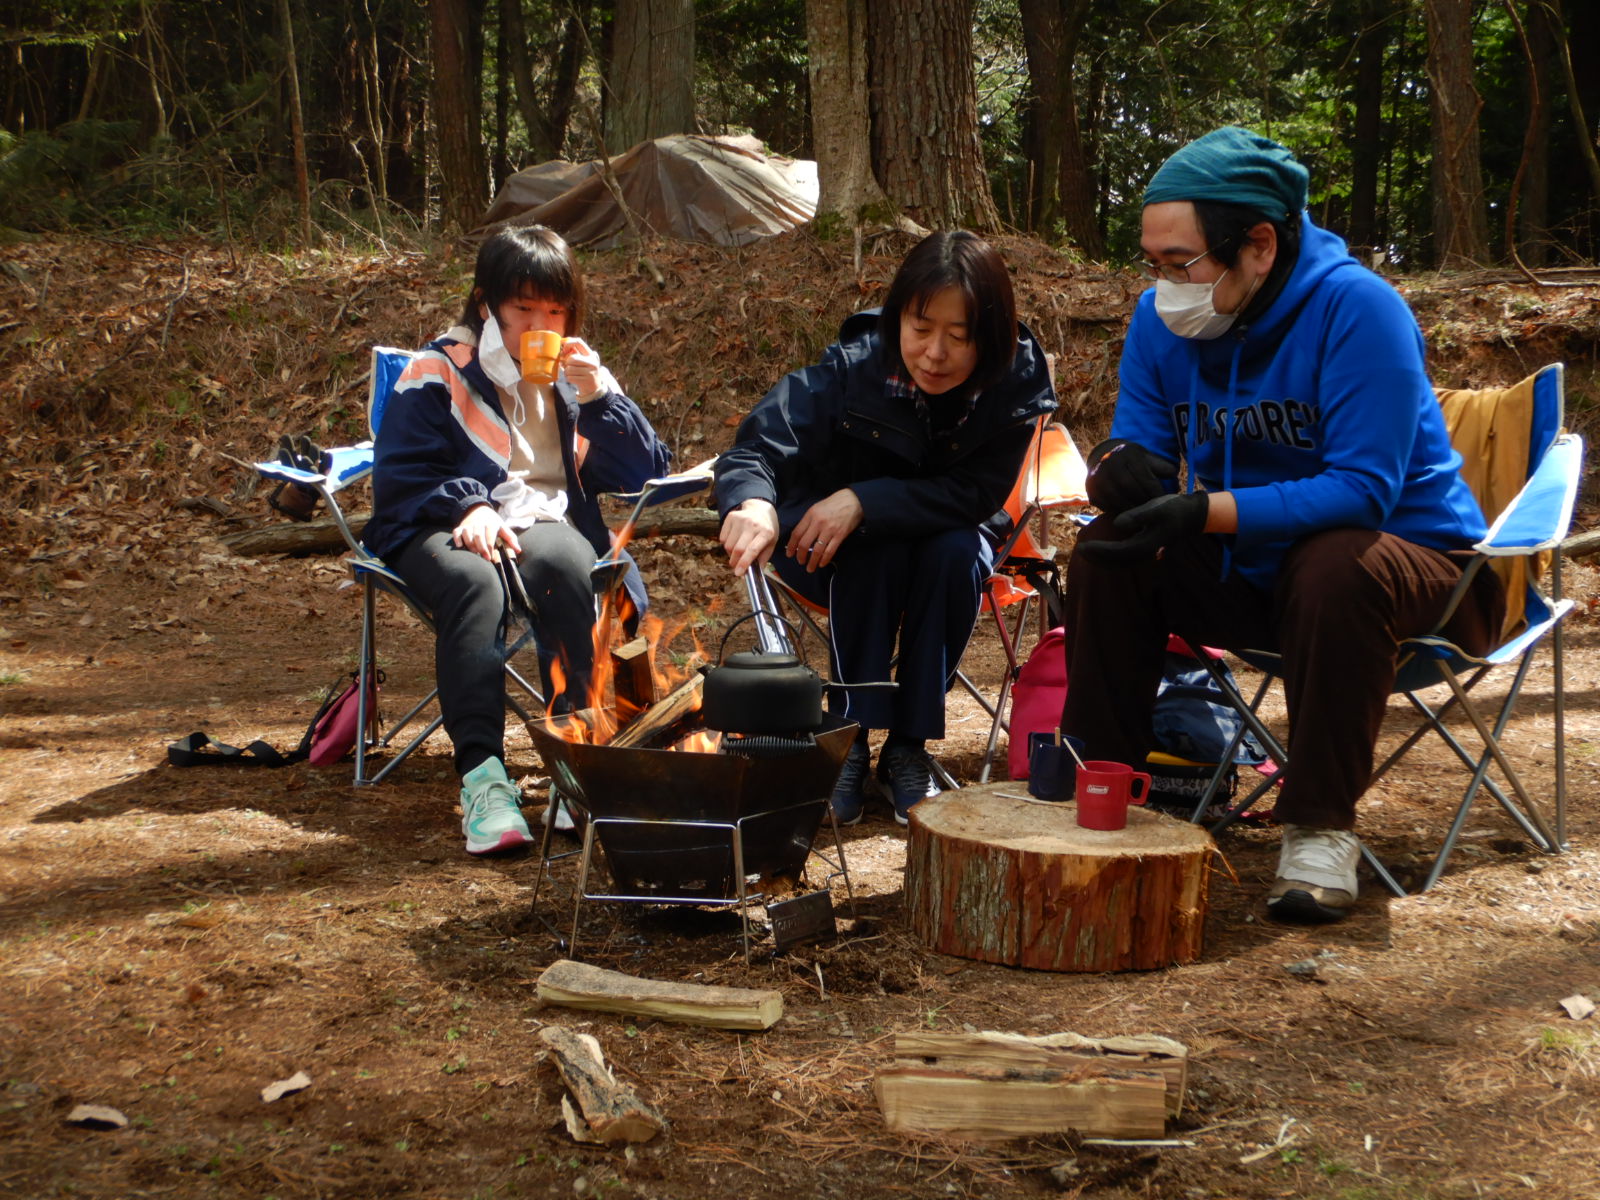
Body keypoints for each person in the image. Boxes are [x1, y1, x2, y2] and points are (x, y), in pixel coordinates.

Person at [1062, 127, 1504, 922]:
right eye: (1152, 264)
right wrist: (1116, 465)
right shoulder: (1162, 322)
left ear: (1258, 244)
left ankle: (1318, 830)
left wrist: (1204, 510)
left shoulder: (1360, 310)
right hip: (1261, 579)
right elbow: (1138, 445)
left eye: (1181, 264)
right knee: (1108, 552)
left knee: (1335, 563)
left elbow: (1362, 492)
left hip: (1424, 577)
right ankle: (1100, 791)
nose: (1164, 285)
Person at [715, 231, 1057, 825]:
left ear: (992, 337)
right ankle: (849, 735)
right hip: (833, 549)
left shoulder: (1013, 383)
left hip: (949, 541)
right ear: (898, 315)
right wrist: (753, 503)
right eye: (921, 328)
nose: (934, 353)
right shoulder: (854, 368)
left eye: (960, 335)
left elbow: (974, 495)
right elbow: (757, 448)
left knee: (952, 552)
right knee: (870, 551)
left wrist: (864, 499)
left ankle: (908, 746)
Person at [363, 226, 672, 857]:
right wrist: (467, 504)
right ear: (487, 305)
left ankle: (571, 764)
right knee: (477, 586)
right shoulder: (437, 370)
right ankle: (484, 780)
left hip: (544, 525)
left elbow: (646, 474)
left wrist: (601, 396)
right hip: (437, 526)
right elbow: (401, 471)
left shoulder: (572, 380)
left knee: (569, 563)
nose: (540, 324)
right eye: (523, 308)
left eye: (554, 310)